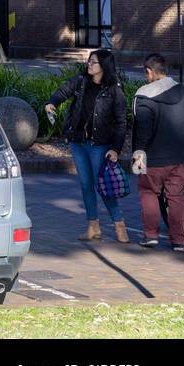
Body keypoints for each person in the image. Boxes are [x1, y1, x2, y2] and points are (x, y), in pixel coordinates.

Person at [44, 49, 130, 243]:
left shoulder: (114, 89)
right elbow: (63, 91)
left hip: (99, 145)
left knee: (103, 186)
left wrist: (115, 148)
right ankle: (93, 227)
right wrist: (52, 102)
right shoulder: (81, 81)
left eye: (94, 62)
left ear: (104, 66)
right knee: (85, 185)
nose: (89, 65)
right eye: (89, 61)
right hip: (78, 142)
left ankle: (119, 225)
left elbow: (121, 122)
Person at [131, 53, 184, 253]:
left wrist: (137, 161)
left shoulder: (144, 96)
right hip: (181, 158)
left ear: (149, 71)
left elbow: (142, 132)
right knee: (177, 196)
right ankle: (178, 241)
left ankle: (151, 236)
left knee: (148, 192)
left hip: (153, 158)